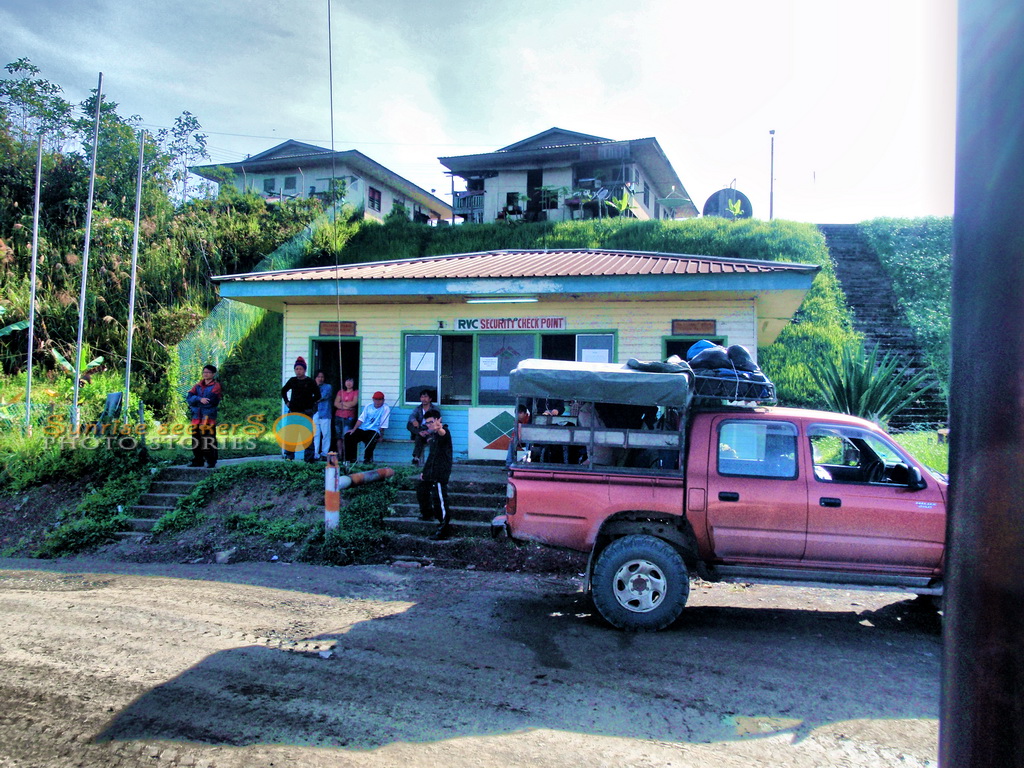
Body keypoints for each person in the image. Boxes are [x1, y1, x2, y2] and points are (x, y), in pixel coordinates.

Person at [416, 409, 454, 540]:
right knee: (421, 490)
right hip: (431, 471)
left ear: (438, 420)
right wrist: (424, 472)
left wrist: (439, 429)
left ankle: (443, 528)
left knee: (440, 500)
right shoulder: (432, 436)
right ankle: (427, 514)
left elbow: (443, 434)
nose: (429, 425)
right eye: (427, 423)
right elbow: (431, 456)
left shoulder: (444, 432)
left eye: (431, 422)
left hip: (440, 473)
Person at [280, 356, 320, 462]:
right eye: (296, 369)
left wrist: (310, 403)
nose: (298, 371)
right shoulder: (292, 381)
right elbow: (283, 391)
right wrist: (287, 402)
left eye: (300, 369)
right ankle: (289, 457)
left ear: (304, 370)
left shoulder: (310, 382)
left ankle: (309, 459)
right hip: (293, 411)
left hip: (306, 412)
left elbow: (318, 395)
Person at [185, 364, 222, 468]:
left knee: (208, 439)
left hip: (208, 418)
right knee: (196, 439)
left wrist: (196, 401)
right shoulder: (197, 386)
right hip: (196, 418)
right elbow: (189, 398)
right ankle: (198, 460)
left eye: (208, 372)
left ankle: (211, 461)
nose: (205, 374)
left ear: (213, 374)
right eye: (204, 372)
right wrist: (199, 399)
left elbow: (210, 401)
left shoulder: (216, 386)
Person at [344, 391, 391, 463]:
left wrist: (381, 436)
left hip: (375, 430)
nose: (378, 402)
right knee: (348, 436)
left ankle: (367, 460)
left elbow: (383, 423)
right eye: (376, 399)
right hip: (364, 428)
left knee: (371, 438)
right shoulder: (368, 406)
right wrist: (354, 429)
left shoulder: (385, 408)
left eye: (380, 399)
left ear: (383, 400)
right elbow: (361, 419)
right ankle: (350, 459)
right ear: (373, 399)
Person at [406, 389, 439, 466]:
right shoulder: (418, 408)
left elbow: (437, 423)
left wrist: (427, 431)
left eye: (426, 397)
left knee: (419, 436)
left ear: (430, 399)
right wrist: (414, 421)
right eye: (422, 397)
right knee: (409, 424)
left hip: (429, 431)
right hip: (419, 429)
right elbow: (412, 416)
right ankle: (419, 433)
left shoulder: (434, 409)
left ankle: (416, 458)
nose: (424, 399)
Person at [333, 376, 359, 460]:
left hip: (349, 417)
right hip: (338, 416)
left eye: (351, 381)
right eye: (347, 381)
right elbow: (336, 403)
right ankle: (340, 455)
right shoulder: (340, 392)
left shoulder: (356, 392)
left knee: (346, 436)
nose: (349, 383)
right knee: (339, 437)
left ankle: (346, 455)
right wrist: (347, 406)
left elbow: (354, 403)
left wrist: (342, 403)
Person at [312, 370, 333, 460]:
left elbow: (321, 396)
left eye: (322, 377)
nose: (320, 379)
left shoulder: (328, 387)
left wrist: (313, 398)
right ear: (315, 378)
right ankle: (315, 453)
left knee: (326, 434)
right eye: (318, 377)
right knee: (316, 434)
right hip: (314, 413)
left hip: (325, 412)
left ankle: (324, 453)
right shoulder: (312, 387)